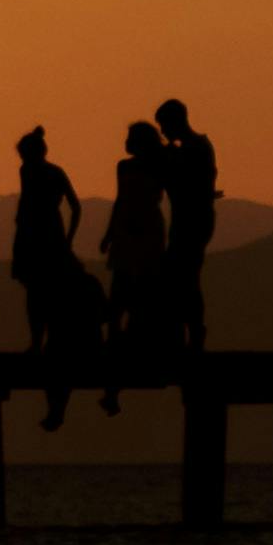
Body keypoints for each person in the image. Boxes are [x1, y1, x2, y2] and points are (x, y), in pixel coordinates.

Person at [9, 124, 102, 429]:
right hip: (46, 241)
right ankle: (39, 341)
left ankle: (39, 341)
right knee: (38, 296)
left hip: (43, 241)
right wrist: (70, 237)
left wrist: (67, 238)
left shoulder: (36, 172)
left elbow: (66, 207)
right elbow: (74, 206)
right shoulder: (46, 172)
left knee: (39, 296)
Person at [102, 118, 173, 400]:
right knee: (120, 287)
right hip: (126, 230)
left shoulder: (159, 164)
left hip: (148, 231)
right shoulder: (125, 166)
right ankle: (116, 338)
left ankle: (135, 341)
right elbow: (119, 200)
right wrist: (109, 234)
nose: (126, 141)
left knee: (143, 289)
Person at [155, 98, 220, 357]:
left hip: (192, 222)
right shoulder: (199, 147)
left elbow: (184, 185)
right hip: (192, 219)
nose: (163, 131)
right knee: (183, 278)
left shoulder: (194, 148)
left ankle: (190, 335)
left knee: (185, 278)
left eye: (164, 125)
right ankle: (186, 335)